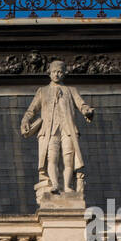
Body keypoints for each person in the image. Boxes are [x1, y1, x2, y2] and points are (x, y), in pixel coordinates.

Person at [21, 60, 94, 196]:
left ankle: (67, 187)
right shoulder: (42, 91)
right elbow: (32, 110)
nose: (56, 74)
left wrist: (87, 110)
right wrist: (25, 120)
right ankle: (54, 184)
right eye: (54, 72)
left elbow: (81, 104)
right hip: (49, 130)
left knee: (69, 159)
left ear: (64, 74)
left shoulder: (70, 90)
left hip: (68, 130)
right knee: (52, 158)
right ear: (49, 73)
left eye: (60, 72)